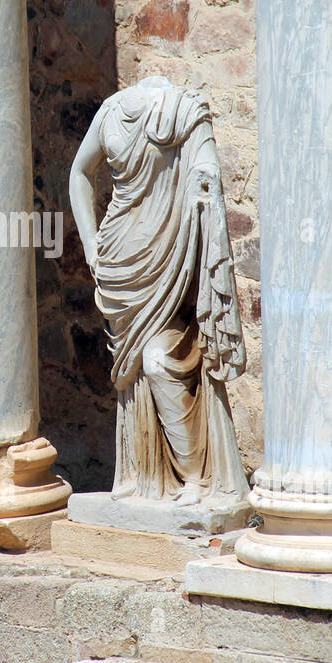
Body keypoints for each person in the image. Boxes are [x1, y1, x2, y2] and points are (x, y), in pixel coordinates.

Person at [69, 76, 249, 504]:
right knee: (132, 374)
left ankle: (196, 478)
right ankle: (145, 477)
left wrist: (203, 185)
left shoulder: (186, 111)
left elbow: (205, 171)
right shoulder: (112, 110)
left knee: (157, 361)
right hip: (119, 259)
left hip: (170, 256)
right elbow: (79, 172)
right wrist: (91, 244)